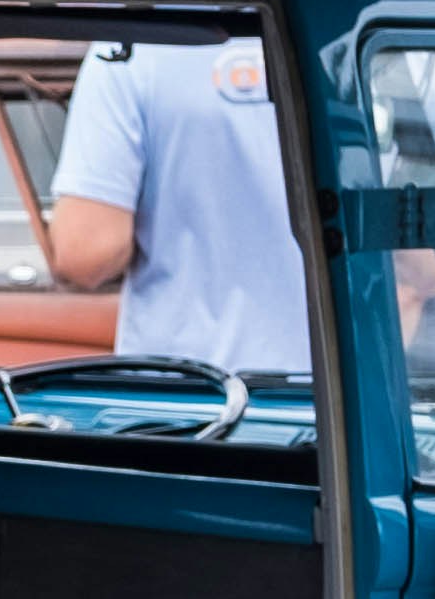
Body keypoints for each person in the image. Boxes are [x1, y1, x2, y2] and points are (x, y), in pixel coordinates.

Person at [40, 34, 313, 375]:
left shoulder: (130, 49)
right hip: (332, 391)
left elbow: (84, 252)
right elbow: (399, 266)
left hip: (189, 394)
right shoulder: (353, 33)